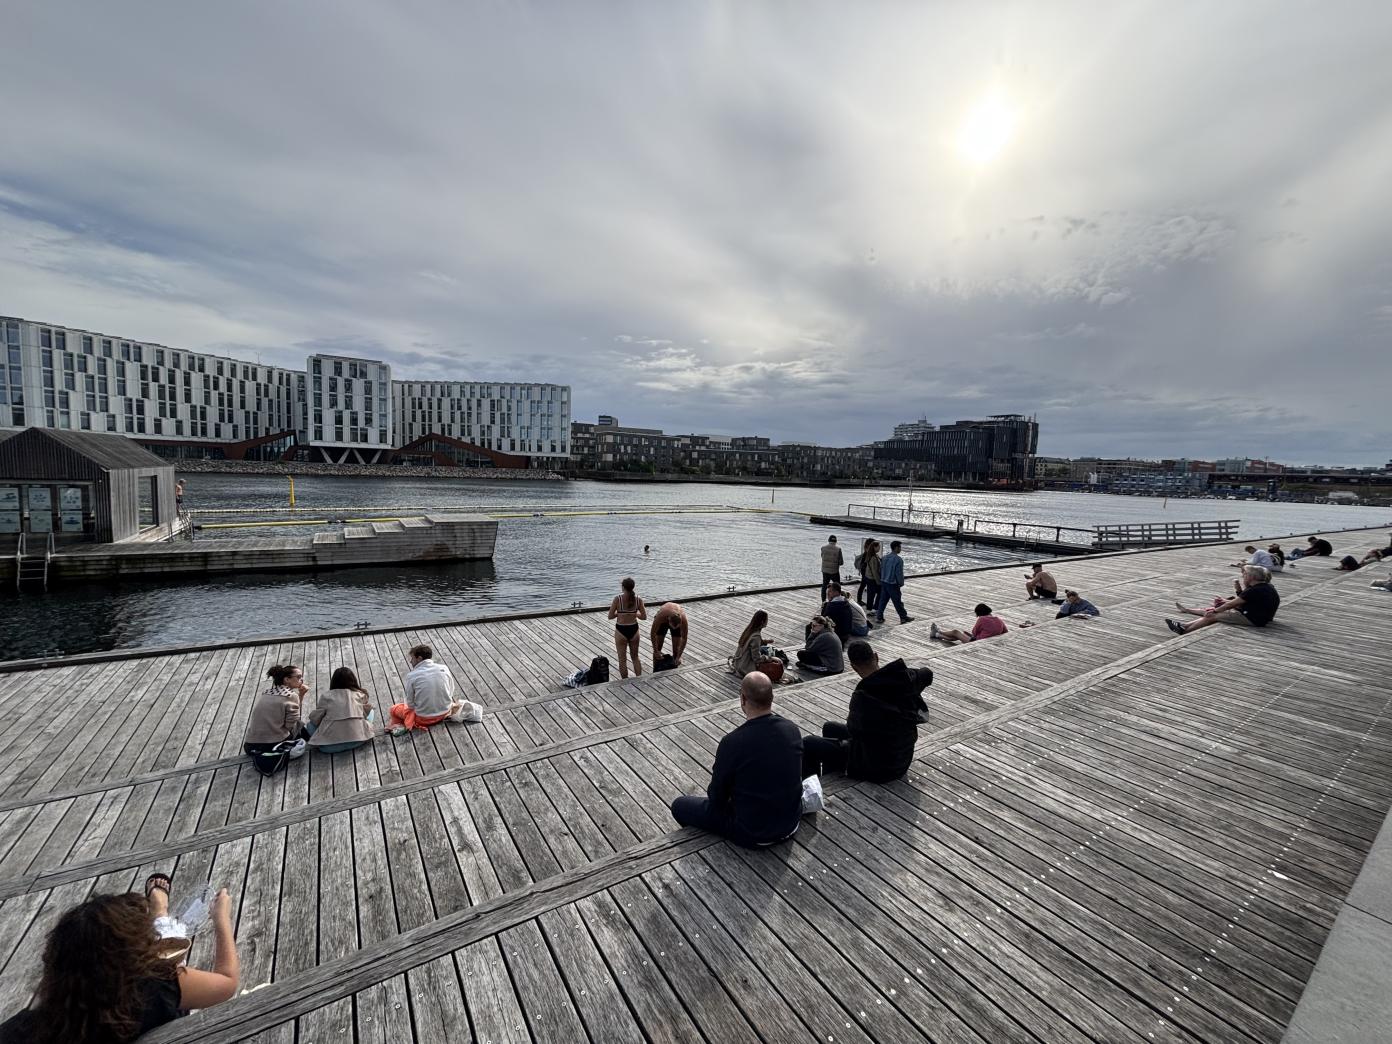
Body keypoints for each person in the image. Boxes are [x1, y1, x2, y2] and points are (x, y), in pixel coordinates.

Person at [0, 879, 240, 1043]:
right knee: (171, 963)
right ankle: (160, 912)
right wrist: (221, 918)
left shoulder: (28, 1025)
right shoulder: (150, 991)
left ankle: (160, 912)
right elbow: (227, 982)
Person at [669, 672, 802, 847]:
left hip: (753, 833)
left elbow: (716, 797)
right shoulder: (792, 729)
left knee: (679, 805)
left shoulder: (732, 742)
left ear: (742, 699)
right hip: (791, 823)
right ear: (772, 697)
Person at [801, 639, 931, 783]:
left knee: (808, 743)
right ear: (876, 656)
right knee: (830, 727)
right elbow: (927, 673)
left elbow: (854, 731)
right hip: (901, 758)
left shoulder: (863, 697)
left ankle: (812, 792)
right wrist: (910, 674)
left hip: (879, 768)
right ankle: (831, 778)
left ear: (854, 667)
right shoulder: (904, 679)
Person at [1166, 565, 1280, 634]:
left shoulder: (1254, 590)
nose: (1243, 576)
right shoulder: (1266, 586)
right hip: (1259, 616)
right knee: (1215, 612)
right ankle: (1184, 625)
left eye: (1245, 575)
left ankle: (1185, 630)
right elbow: (1246, 600)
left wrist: (1215, 611)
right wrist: (1239, 590)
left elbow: (1231, 605)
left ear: (1251, 577)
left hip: (1254, 619)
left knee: (1212, 615)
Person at [389, 644, 469, 735]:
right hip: (445, 712)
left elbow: (410, 705)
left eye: (412, 658)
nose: (410, 661)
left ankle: (399, 726)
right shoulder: (444, 668)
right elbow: (451, 690)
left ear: (419, 658)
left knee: (394, 709)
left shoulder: (412, 676)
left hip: (424, 719)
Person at [243, 664, 310, 761]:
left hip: (250, 745)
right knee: (300, 725)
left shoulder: (267, 692)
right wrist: (301, 695)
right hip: (273, 744)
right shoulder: (291, 695)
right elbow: (290, 725)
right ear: (287, 679)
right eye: (298, 677)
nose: (302, 680)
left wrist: (301, 695)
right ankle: (314, 744)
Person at [308, 667, 376, 754]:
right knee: (370, 710)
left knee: (310, 725)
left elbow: (315, 719)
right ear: (353, 680)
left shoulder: (326, 696)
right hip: (359, 740)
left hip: (329, 747)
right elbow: (365, 712)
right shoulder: (359, 694)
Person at [608, 577, 647, 678]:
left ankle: (625, 681)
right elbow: (644, 617)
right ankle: (639, 678)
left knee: (622, 659)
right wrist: (634, 614)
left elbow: (610, 616)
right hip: (634, 629)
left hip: (621, 630)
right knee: (635, 657)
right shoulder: (639, 599)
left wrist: (620, 613)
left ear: (623, 587)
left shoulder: (618, 599)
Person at [874, 540, 914, 624]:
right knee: (897, 601)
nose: (900, 549)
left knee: (883, 600)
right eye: (900, 547)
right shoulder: (898, 560)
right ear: (896, 548)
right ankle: (903, 617)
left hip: (884, 582)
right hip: (892, 583)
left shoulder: (884, 558)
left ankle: (879, 617)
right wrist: (901, 583)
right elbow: (898, 573)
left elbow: (880, 570)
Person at [930, 604, 1007, 644]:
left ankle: (939, 632)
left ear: (979, 613)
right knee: (958, 636)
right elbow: (1005, 631)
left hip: (977, 642)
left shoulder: (982, 619)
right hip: (986, 640)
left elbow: (974, 632)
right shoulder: (999, 619)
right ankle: (937, 635)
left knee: (955, 632)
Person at [650, 601, 689, 668]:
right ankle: (655, 668)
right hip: (663, 622)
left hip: (675, 619)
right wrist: (655, 651)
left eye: (676, 627)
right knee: (658, 647)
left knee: (676, 650)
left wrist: (679, 657)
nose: (673, 629)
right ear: (668, 620)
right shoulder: (660, 617)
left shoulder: (683, 620)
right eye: (672, 627)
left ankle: (674, 666)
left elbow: (684, 638)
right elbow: (652, 634)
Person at [732, 610, 770, 677]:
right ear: (762, 622)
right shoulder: (756, 636)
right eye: (767, 619)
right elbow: (756, 658)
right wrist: (767, 658)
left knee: (764, 649)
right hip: (744, 667)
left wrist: (765, 642)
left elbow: (751, 644)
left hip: (737, 663)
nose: (767, 621)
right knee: (770, 657)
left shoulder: (749, 630)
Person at [860, 539, 882, 612]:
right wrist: (878, 582)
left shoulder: (871, 555)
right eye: (878, 547)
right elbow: (874, 571)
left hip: (868, 577)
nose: (879, 548)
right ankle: (874, 608)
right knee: (878, 593)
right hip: (872, 579)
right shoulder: (873, 558)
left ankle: (870, 608)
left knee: (871, 594)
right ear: (874, 547)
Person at [820, 535, 844, 600]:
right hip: (834, 571)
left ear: (829, 540)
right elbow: (841, 562)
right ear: (836, 541)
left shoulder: (823, 548)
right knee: (837, 586)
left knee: (824, 585)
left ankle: (823, 600)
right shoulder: (838, 549)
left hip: (825, 571)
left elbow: (822, 557)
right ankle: (837, 599)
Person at [854, 538, 875, 607]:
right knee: (866, 586)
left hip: (863, 569)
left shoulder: (866, 549)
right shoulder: (869, 551)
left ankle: (859, 600)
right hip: (866, 570)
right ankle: (866, 603)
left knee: (863, 585)